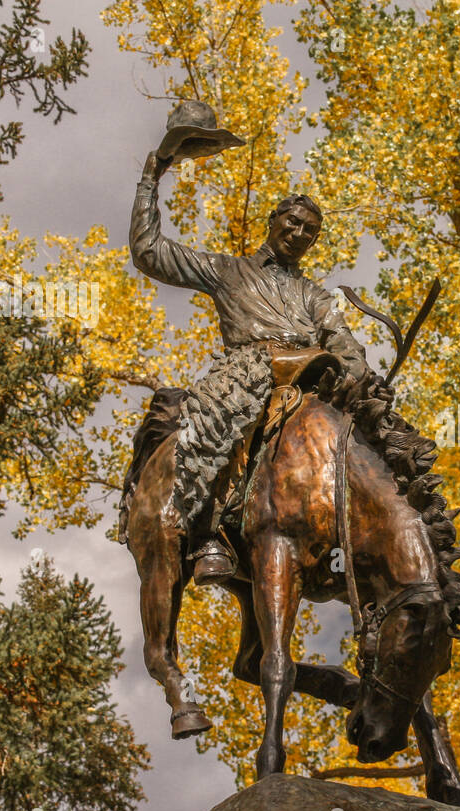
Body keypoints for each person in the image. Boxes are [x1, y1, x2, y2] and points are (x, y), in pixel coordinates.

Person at [129, 149, 369, 585]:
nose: (298, 233)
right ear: (273, 221)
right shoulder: (229, 271)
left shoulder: (316, 297)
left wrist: (354, 371)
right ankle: (206, 531)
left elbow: (344, 344)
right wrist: (150, 182)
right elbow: (149, 252)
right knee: (215, 417)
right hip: (249, 370)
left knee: (375, 432)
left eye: (309, 231)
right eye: (292, 222)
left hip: (310, 375)